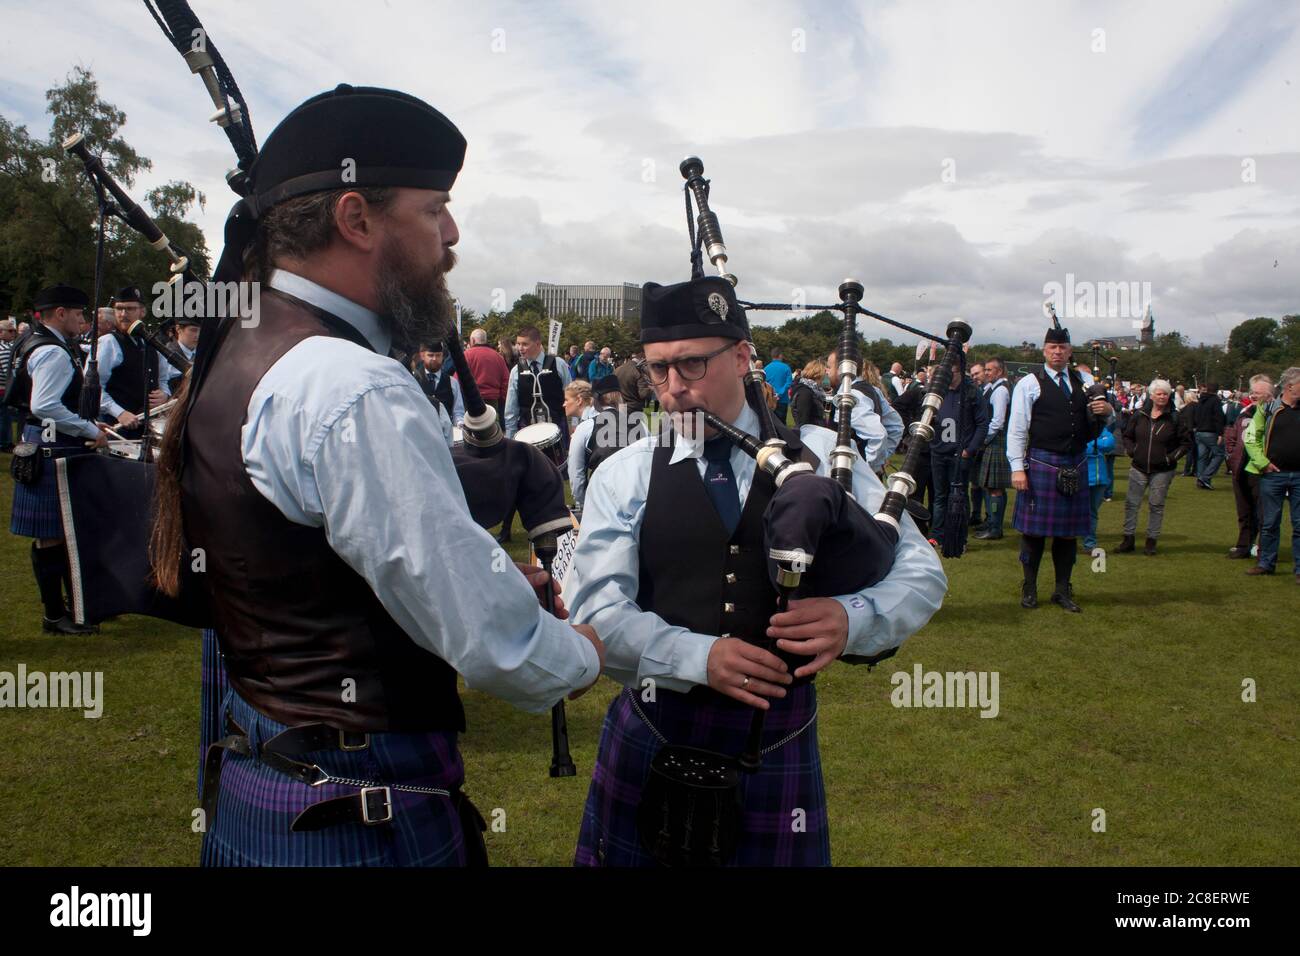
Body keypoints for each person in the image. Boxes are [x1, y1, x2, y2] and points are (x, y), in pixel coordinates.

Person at [149, 84, 604, 867]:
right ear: (356, 218)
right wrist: (585, 649)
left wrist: (488, 573)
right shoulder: (348, 385)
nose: (452, 234)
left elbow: (338, 565)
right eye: (434, 210)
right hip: (354, 813)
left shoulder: (243, 347)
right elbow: (492, 640)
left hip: (269, 773)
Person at [565, 276, 946, 866]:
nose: (671, 390)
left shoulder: (821, 454)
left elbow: (919, 567)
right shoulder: (627, 472)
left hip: (777, 739)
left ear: (742, 356)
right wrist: (698, 657)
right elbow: (596, 612)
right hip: (653, 728)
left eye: (691, 365)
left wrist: (854, 617)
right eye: (656, 370)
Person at [4, 285, 108, 634]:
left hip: (40, 442)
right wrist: (88, 430)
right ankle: (56, 615)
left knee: (55, 535)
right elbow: (44, 405)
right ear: (60, 313)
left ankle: (67, 608)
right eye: (79, 313)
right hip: (53, 446)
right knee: (53, 536)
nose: (83, 320)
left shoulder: (30, 341)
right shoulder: (54, 352)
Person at [1007, 320, 1113, 611]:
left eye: (1063, 347)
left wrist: (1108, 410)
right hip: (1042, 462)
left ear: (1069, 351)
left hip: (1075, 462)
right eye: (1053, 347)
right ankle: (1029, 587)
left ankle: (1062, 590)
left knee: (1068, 534)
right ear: (1044, 350)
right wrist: (1017, 467)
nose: (1057, 352)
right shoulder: (1028, 384)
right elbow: (1017, 429)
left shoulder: (1084, 382)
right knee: (1034, 533)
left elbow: (1100, 420)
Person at [1118, 379, 1189, 555]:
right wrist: (1131, 450)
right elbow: (1127, 435)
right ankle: (1128, 539)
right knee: (1131, 503)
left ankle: (1151, 541)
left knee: (1156, 504)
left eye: (1166, 394)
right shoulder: (1139, 415)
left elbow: (1186, 443)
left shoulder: (1175, 417)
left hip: (1162, 470)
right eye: (1159, 393)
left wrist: (1171, 458)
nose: (1162, 397)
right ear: (1151, 395)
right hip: (1138, 466)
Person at [94, 286, 174, 439]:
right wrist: (120, 413)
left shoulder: (152, 344)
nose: (123, 314)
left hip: (147, 428)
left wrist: (164, 394)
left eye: (130, 309)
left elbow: (163, 378)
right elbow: (94, 387)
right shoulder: (108, 343)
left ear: (142, 312)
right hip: (115, 430)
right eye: (119, 309)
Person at [1243, 367, 1300, 581]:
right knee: (1269, 522)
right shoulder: (1268, 409)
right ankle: (1266, 563)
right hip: (1273, 475)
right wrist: (1263, 463)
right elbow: (1251, 438)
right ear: (1290, 386)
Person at [928, 352, 988, 551]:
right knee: (939, 495)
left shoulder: (972, 392)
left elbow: (982, 423)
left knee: (959, 496)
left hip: (960, 454)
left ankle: (959, 538)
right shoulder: (938, 391)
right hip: (939, 451)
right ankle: (938, 535)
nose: (947, 377)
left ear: (960, 371)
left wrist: (970, 449)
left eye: (951, 373)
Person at [569, 375, 645, 515]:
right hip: (638, 499)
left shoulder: (585, 427)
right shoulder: (640, 424)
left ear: (596, 399)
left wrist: (585, 504)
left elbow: (576, 474)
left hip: (603, 500)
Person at [1225, 374, 1273, 558]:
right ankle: (1244, 545)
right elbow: (1232, 435)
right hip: (1241, 467)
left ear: (1269, 395)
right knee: (1243, 510)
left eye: (1258, 393)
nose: (1253, 396)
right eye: (1252, 392)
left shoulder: (1272, 414)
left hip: (1261, 469)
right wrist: (1230, 455)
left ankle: (1264, 548)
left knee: (1263, 512)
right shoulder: (1244, 412)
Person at [824, 348, 890, 474]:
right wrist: (882, 458)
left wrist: (869, 470)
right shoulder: (873, 389)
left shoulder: (853, 395)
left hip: (853, 475)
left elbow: (878, 435)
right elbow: (896, 425)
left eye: (829, 367)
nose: (827, 371)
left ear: (842, 368)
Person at [505, 324, 573, 443]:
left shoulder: (558, 364)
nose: (520, 348)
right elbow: (511, 410)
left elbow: (571, 397)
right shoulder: (516, 371)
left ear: (537, 344)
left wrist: (574, 427)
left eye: (525, 344)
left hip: (557, 429)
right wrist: (511, 441)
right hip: (528, 430)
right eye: (518, 343)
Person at [974, 357, 1012, 540]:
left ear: (999, 371)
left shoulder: (1001, 390)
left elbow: (998, 421)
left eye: (990, 370)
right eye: (986, 370)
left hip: (996, 441)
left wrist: (983, 439)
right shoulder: (994, 388)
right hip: (994, 441)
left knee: (995, 488)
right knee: (991, 487)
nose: (986, 373)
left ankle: (996, 528)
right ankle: (992, 523)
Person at [1082, 425, 1116, 551]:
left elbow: (1110, 443)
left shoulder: (1100, 429)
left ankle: (1089, 543)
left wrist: (1089, 444)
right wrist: (1096, 445)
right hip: (1080, 476)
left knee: (1092, 512)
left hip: (1099, 479)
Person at [462, 327, 509, 418]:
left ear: (472, 340)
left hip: (471, 400)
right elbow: (506, 381)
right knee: (492, 430)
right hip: (493, 402)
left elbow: (458, 379)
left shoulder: (466, 355)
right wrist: (501, 400)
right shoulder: (498, 357)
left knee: (472, 429)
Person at [1191, 383, 1227, 489]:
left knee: (1202, 457)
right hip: (1210, 432)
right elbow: (1218, 417)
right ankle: (1205, 477)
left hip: (1199, 431)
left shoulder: (1201, 400)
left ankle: (1200, 478)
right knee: (1219, 454)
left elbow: (1196, 415)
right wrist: (1220, 433)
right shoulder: (1215, 401)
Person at [789, 359, 828, 429]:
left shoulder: (814, 391)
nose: (826, 374)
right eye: (825, 372)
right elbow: (803, 422)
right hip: (809, 434)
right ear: (818, 373)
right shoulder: (805, 393)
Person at [0, 317, 18, 450]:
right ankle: (4, 442)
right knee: (4, 417)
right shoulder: (6, 349)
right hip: (2, 388)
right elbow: (9, 372)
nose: (13, 334)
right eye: (10, 331)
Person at [765, 347, 793, 423]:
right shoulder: (786, 367)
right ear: (780, 355)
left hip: (769, 400)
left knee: (770, 424)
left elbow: (764, 384)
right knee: (782, 424)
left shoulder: (766, 368)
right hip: (782, 400)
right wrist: (779, 394)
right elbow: (789, 383)